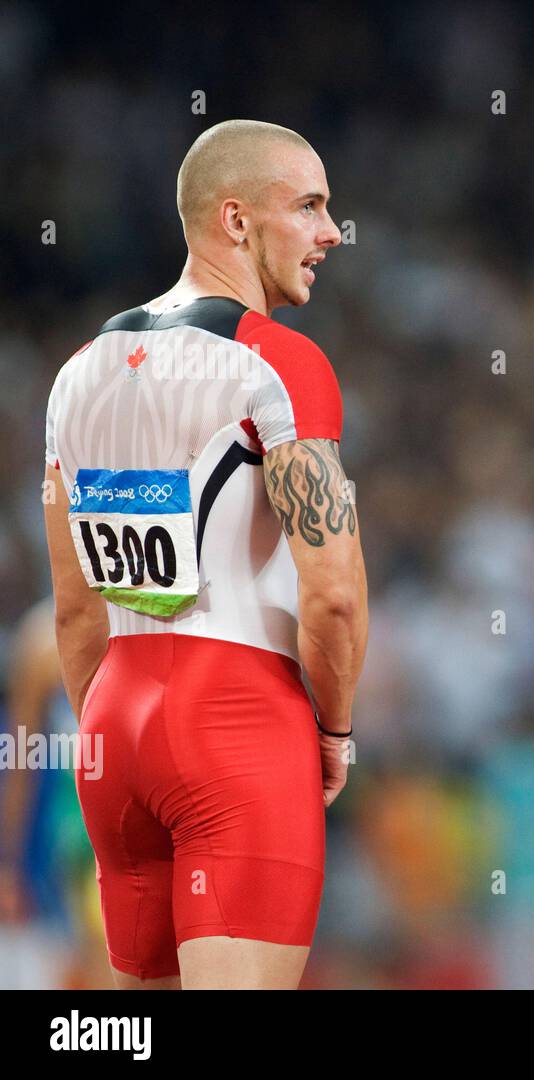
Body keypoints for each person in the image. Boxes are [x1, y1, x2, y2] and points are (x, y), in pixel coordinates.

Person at [42, 119, 368, 989]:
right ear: (235, 219)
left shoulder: (77, 371)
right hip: (238, 724)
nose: (332, 232)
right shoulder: (279, 363)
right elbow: (333, 593)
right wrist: (333, 728)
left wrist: (118, 734)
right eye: (308, 206)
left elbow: (74, 606)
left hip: (111, 731)